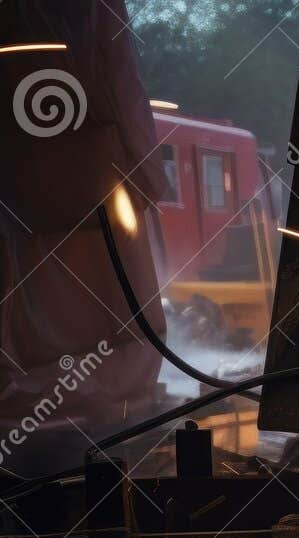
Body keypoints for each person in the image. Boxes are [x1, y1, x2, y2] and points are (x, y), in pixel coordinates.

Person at [0, 0, 167, 478]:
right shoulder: (93, 10)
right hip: (95, 174)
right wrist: (146, 177)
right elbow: (121, 86)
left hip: (25, 177)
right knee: (110, 301)